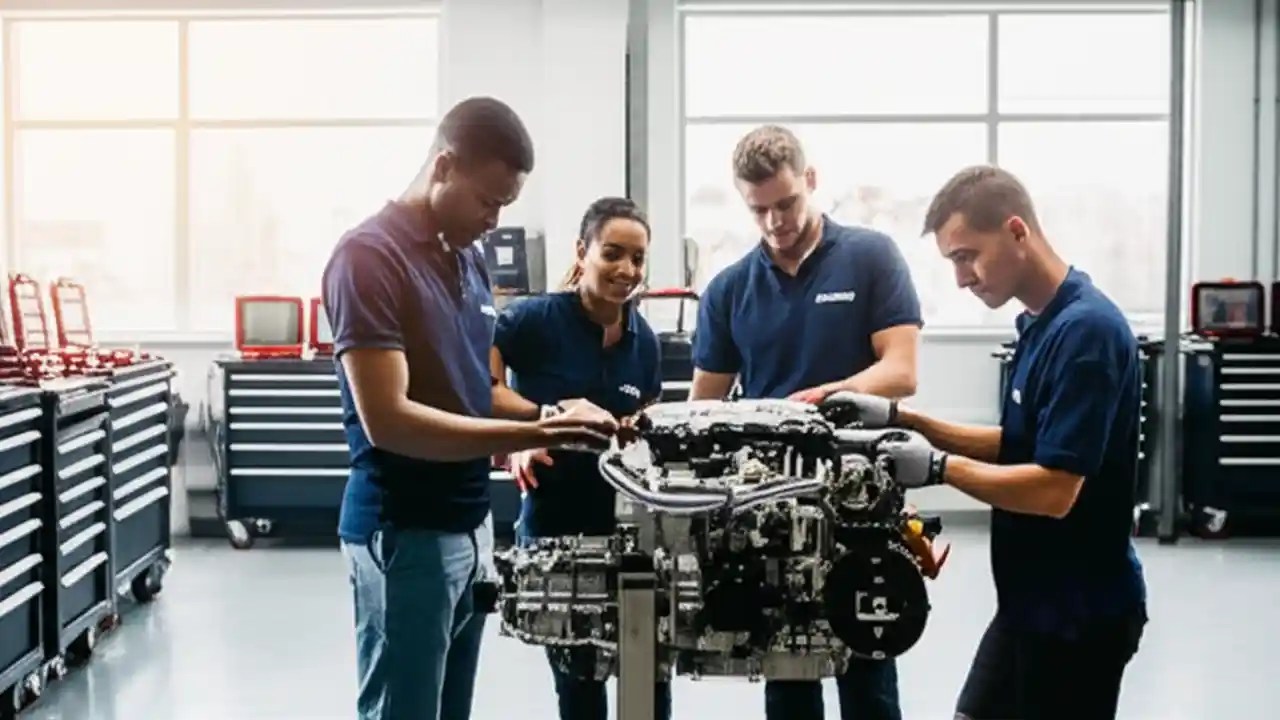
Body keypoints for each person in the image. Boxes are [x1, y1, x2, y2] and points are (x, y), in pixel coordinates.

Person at [322, 96, 620, 720]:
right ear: (444, 166)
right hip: (404, 529)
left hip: (469, 522)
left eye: (505, 206)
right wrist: (537, 429)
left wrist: (547, 420)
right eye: (487, 201)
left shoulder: (468, 258)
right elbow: (389, 419)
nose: (493, 220)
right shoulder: (369, 258)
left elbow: (473, 388)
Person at [832, 164, 1148, 720]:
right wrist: (906, 419)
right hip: (1029, 606)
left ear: (1017, 232)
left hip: (1079, 619)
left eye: (966, 256)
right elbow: (1023, 442)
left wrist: (936, 468)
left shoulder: (1087, 333)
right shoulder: (1040, 323)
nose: (962, 278)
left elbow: (1053, 490)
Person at [688, 124, 922, 720]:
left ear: (811, 181)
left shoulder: (870, 257)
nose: (775, 222)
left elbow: (900, 370)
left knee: (868, 659)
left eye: (786, 203)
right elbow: (703, 410)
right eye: (758, 209)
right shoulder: (728, 289)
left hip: (860, 493)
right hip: (770, 504)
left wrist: (827, 397)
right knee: (787, 668)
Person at [489, 196, 671, 720]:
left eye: (637, 258)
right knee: (578, 680)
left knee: (648, 675)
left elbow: (646, 416)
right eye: (612, 253)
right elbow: (481, 386)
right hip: (555, 527)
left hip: (634, 532)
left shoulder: (645, 343)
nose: (626, 270)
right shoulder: (531, 320)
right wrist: (537, 422)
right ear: (582, 251)